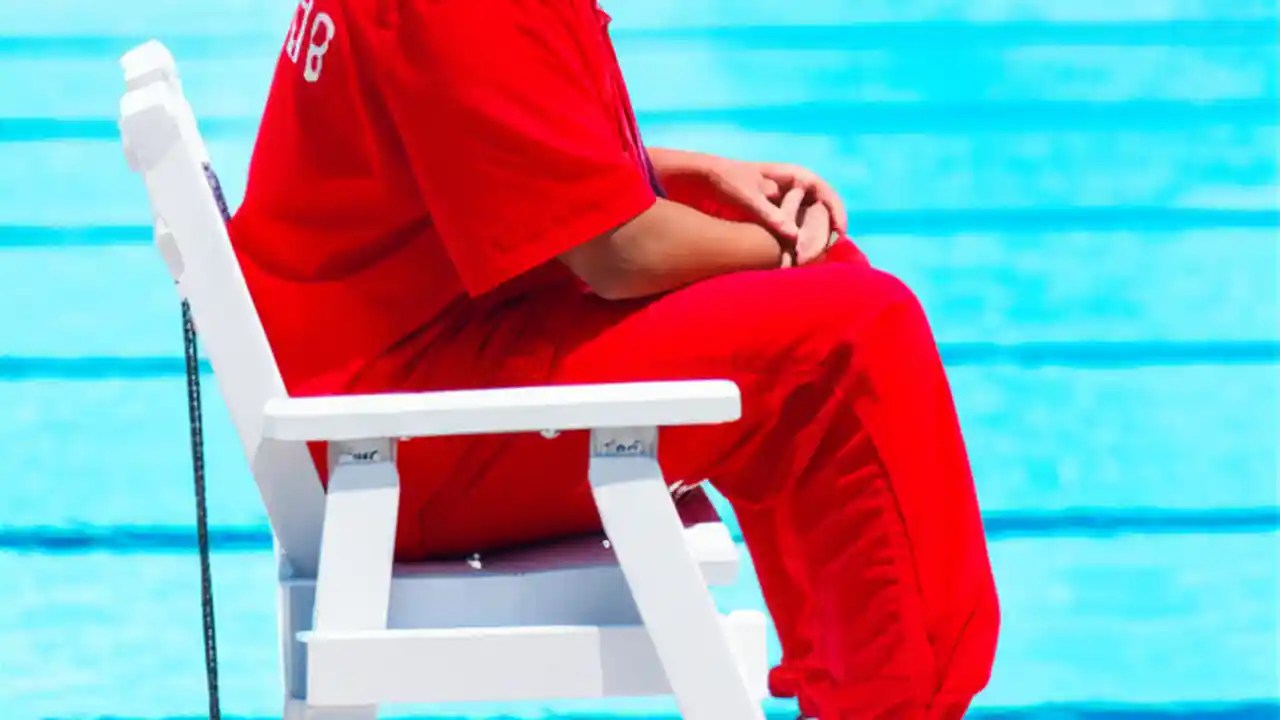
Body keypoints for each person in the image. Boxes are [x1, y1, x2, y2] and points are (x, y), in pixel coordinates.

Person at [229, 0, 999, 717]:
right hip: (395, 434)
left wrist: (695, 179)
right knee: (854, 334)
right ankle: (897, 705)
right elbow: (620, 255)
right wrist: (785, 248)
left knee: (821, 284)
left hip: (383, 370)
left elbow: (472, 131)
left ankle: (848, 687)